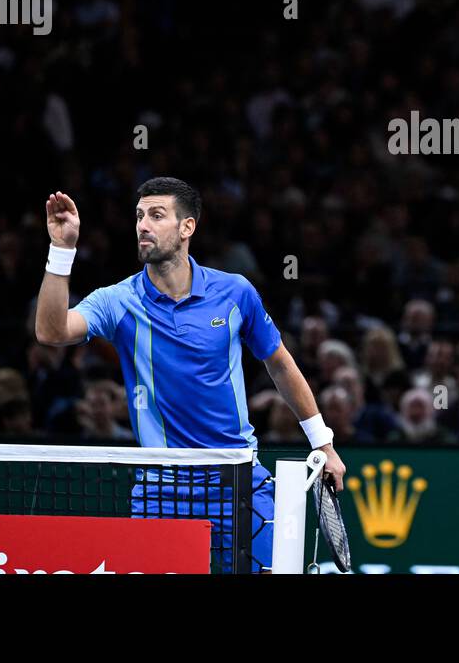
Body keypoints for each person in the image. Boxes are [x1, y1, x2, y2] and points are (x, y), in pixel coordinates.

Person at [33, 177, 347, 573]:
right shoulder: (118, 301)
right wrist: (62, 250)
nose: (143, 225)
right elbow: (51, 331)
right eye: (139, 216)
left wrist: (323, 442)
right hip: (163, 489)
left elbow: (280, 363)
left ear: (187, 228)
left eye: (157, 215)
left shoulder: (235, 292)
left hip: (239, 480)